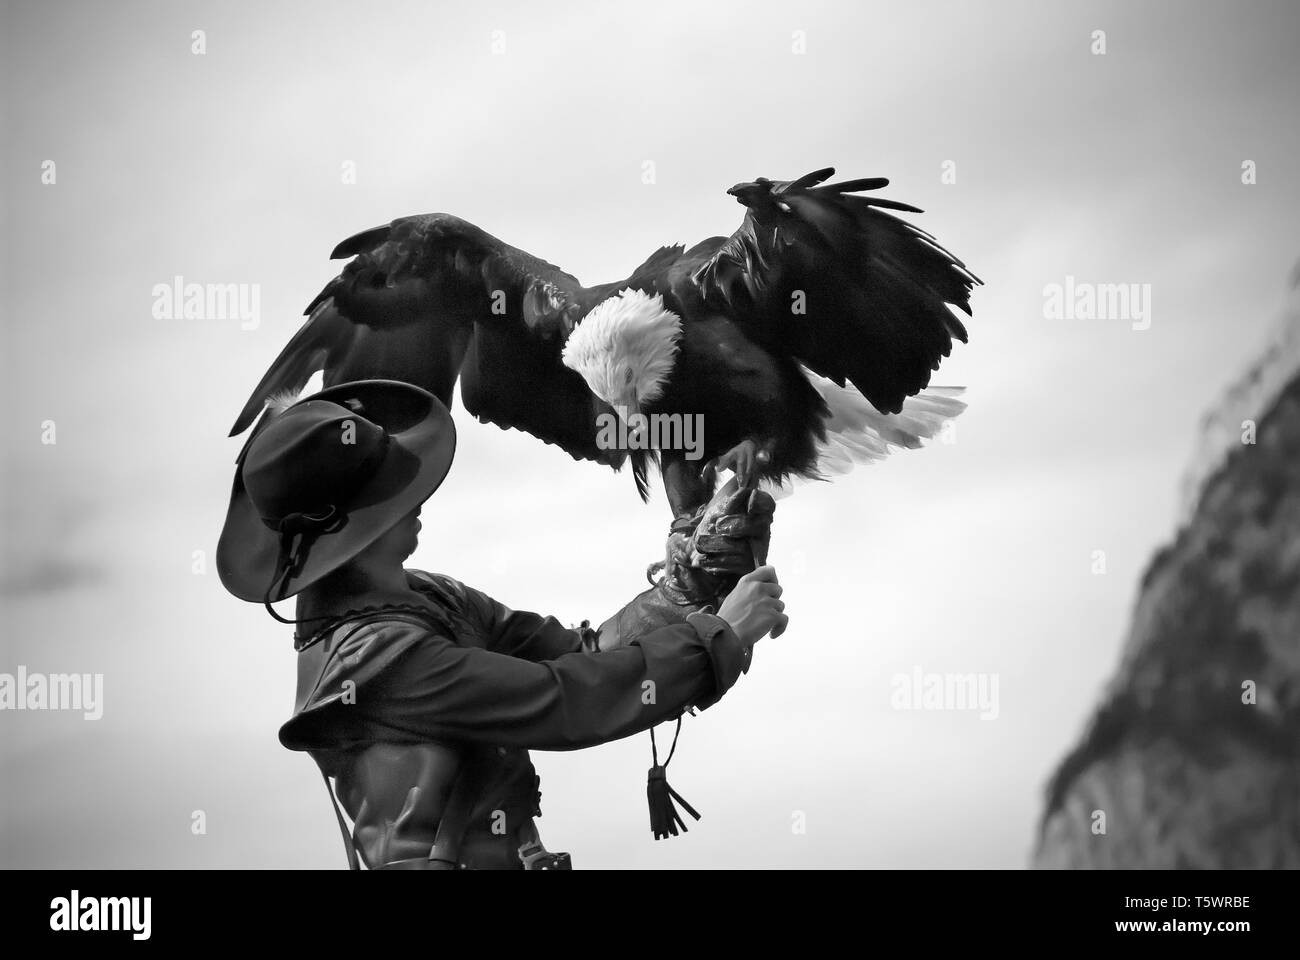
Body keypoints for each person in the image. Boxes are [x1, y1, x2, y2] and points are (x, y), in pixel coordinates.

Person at [217, 379, 786, 869]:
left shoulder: (430, 597)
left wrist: (688, 585)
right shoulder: (372, 661)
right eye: (388, 488)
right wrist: (720, 637)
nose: (413, 493)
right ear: (348, 526)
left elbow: (581, 652)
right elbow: (560, 701)